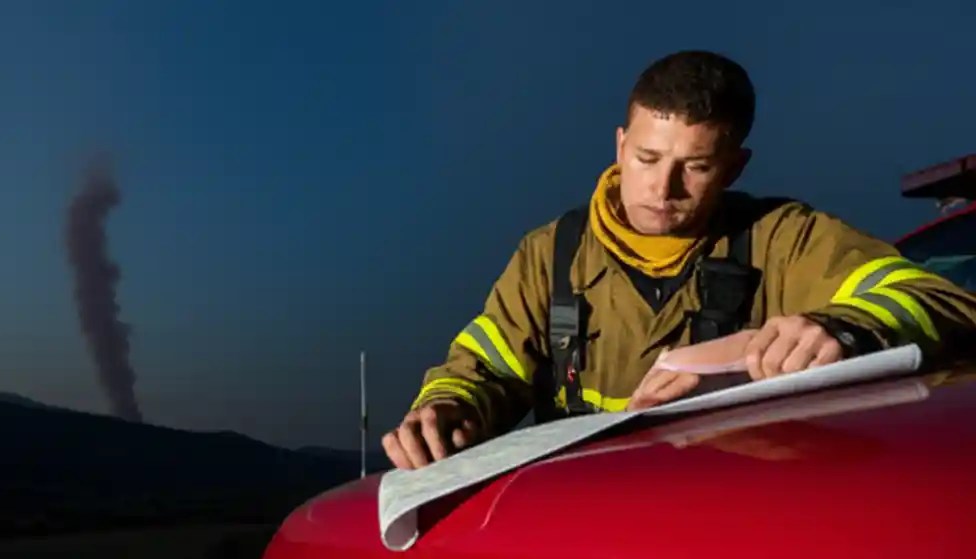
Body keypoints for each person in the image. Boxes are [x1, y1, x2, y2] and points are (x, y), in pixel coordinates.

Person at [383, 49, 976, 471]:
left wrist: (844, 328)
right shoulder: (550, 256)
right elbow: (483, 366)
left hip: (725, 517)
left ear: (736, 166)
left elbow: (943, 300)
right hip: (578, 512)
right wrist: (443, 411)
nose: (662, 189)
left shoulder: (784, 241)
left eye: (695, 167)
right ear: (619, 144)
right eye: (646, 158)